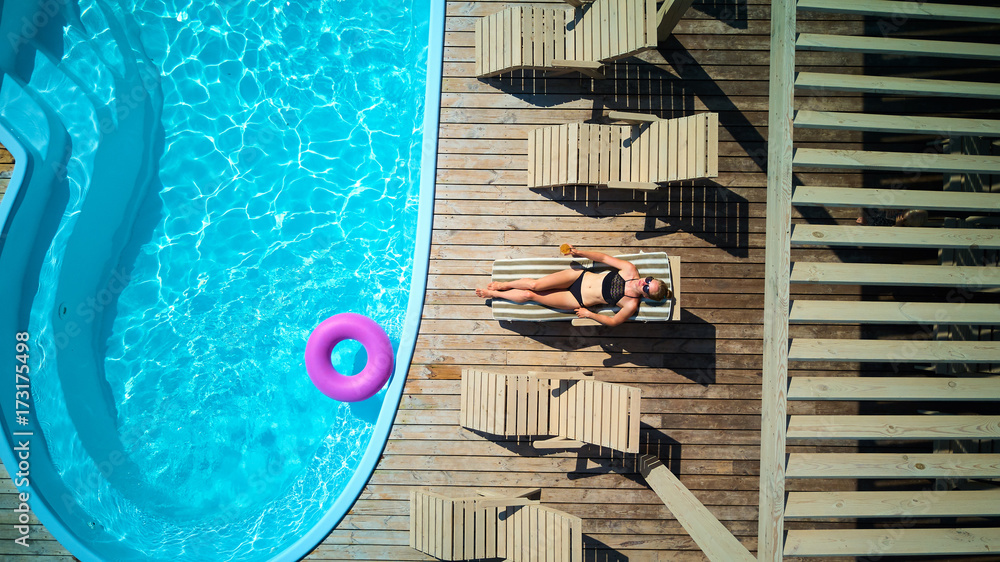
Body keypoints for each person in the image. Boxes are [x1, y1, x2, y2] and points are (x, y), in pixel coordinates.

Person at [476, 245, 671, 327]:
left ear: (646, 296)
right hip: (577, 277)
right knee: (535, 285)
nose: (643, 283)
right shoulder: (629, 270)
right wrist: (580, 252)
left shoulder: (630, 304)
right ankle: (503, 285)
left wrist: (590, 315)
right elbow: (603, 258)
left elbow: (613, 322)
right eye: (649, 280)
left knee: (530, 295)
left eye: (647, 288)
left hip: (577, 300)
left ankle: (496, 296)